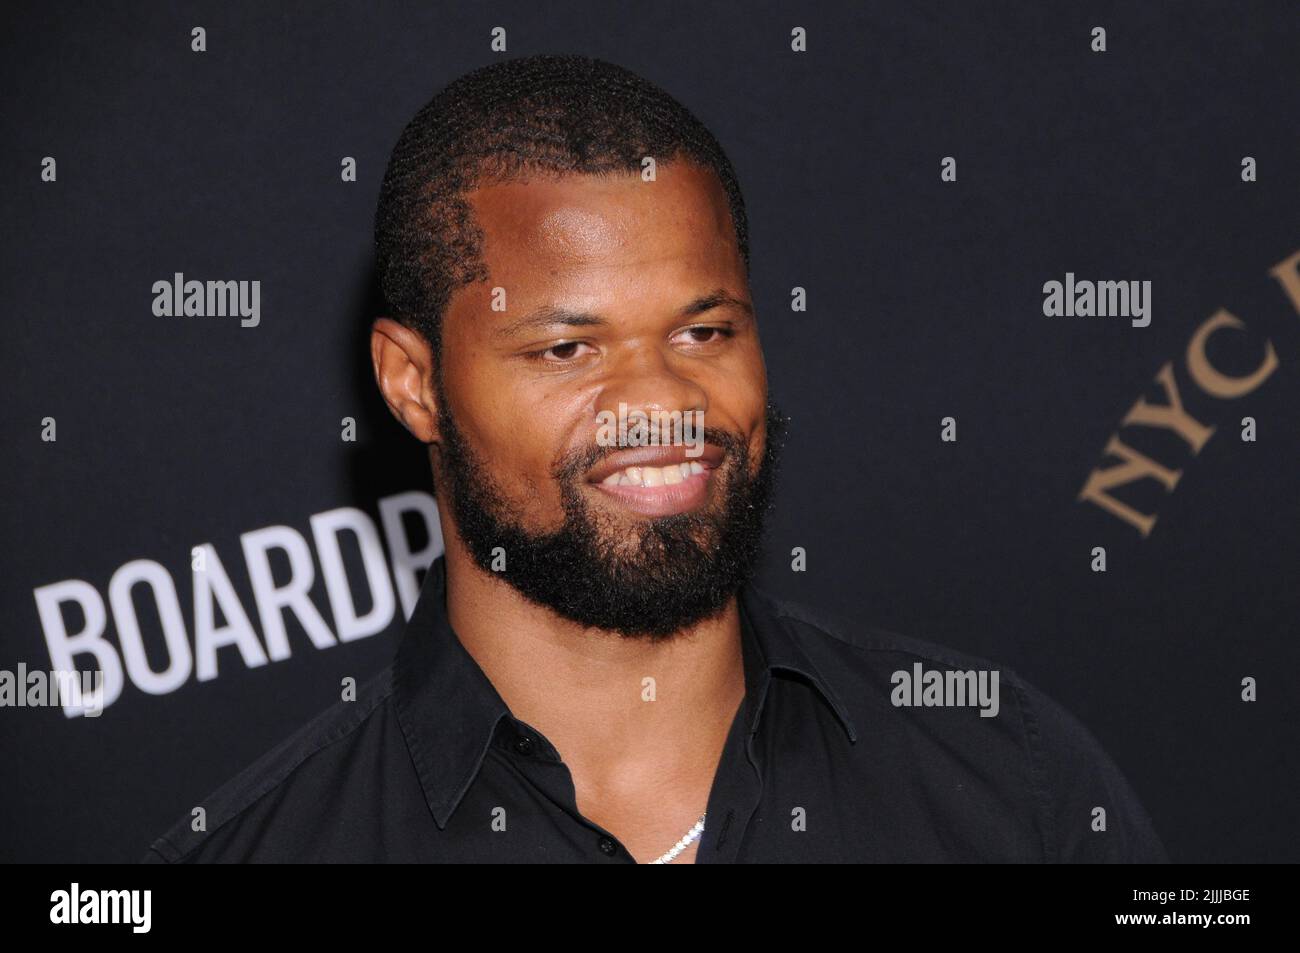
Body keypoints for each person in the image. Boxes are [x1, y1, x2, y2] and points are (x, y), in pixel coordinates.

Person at [143, 53, 1166, 863]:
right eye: (565, 348)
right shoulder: (263, 847)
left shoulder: (1008, 780)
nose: (662, 401)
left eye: (705, 331)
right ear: (414, 383)